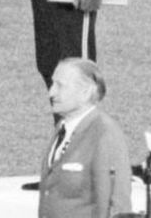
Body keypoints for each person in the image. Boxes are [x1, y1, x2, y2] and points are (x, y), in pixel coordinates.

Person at [38, 58, 132, 218]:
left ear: (85, 92)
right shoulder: (62, 128)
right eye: (53, 84)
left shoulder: (104, 133)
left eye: (60, 86)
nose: (51, 92)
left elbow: (117, 205)